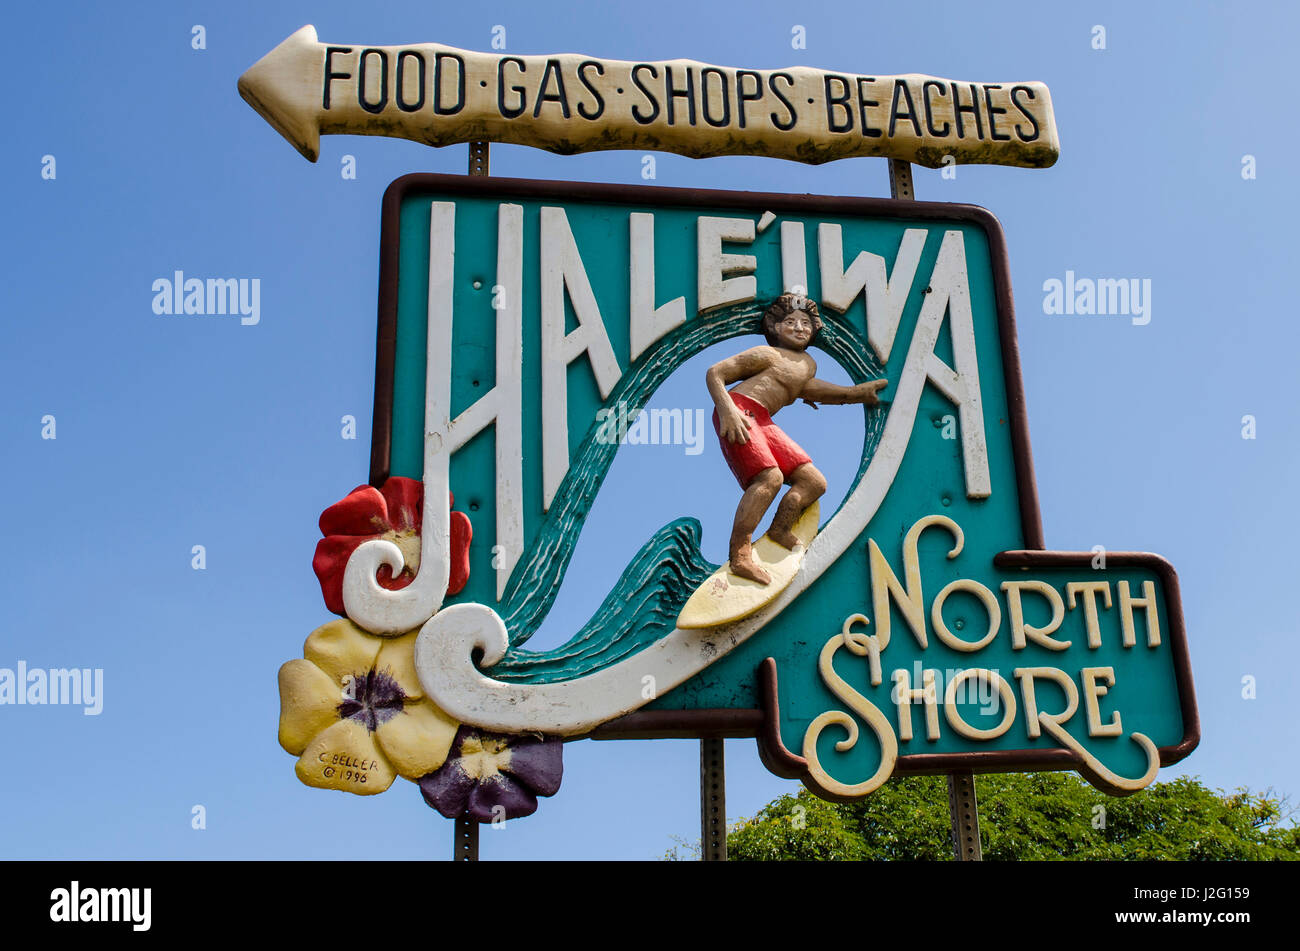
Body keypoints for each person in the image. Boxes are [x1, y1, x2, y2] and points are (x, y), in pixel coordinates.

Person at [705, 293, 887, 584]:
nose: (799, 328)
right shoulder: (767, 354)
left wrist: (857, 394)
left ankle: (779, 529)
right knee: (770, 478)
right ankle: (740, 555)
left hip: (763, 419)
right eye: (790, 322)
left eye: (805, 323)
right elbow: (716, 373)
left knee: (814, 482)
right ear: (775, 328)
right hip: (739, 411)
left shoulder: (807, 365)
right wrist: (727, 410)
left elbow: (812, 390)